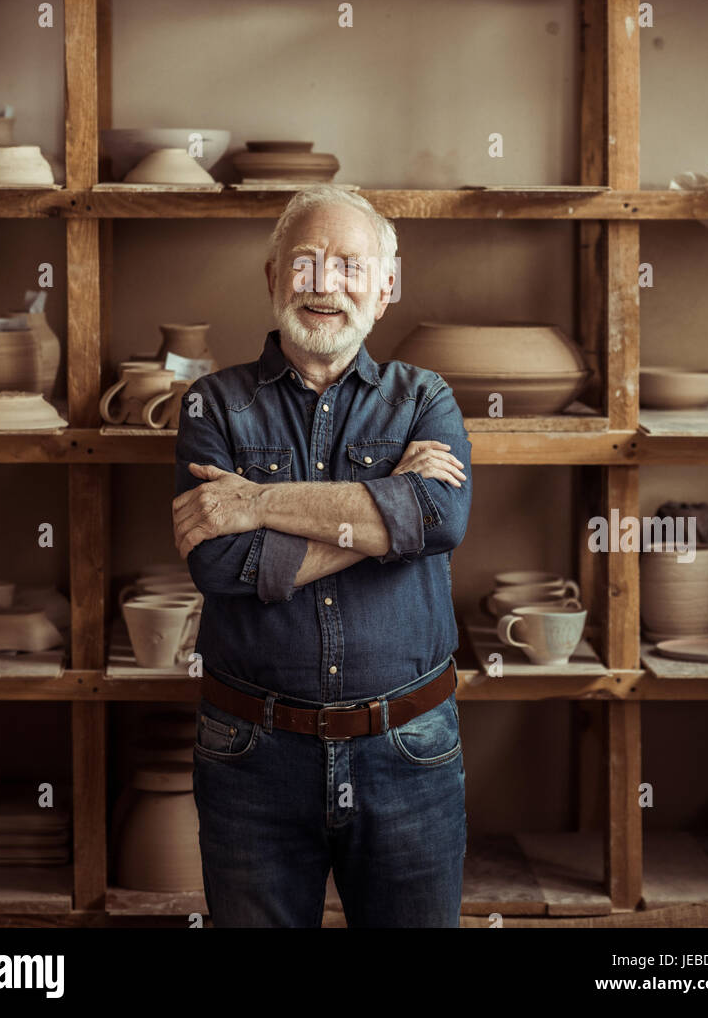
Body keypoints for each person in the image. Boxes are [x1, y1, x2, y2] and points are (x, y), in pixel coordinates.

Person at [172, 185, 472, 928]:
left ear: (386, 287)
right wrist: (385, 511)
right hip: (250, 754)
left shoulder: (425, 397)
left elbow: (438, 519)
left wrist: (259, 503)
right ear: (272, 280)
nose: (323, 285)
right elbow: (217, 564)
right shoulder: (211, 404)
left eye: (348, 265)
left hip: (410, 749)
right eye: (303, 263)